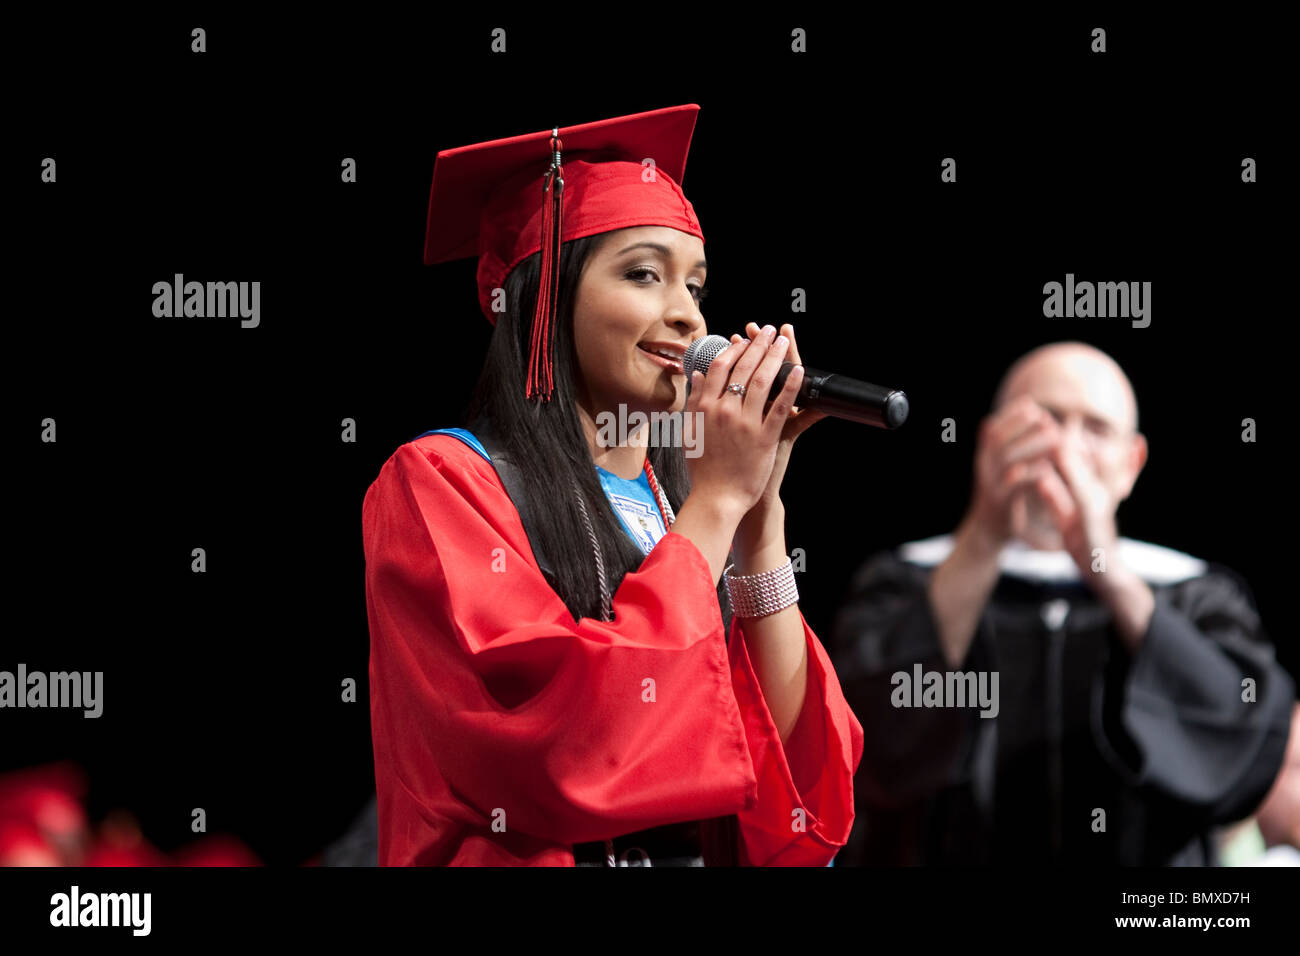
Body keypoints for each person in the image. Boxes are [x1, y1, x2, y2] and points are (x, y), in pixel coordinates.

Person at [362, 105, 864, 866]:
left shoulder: (679, 502)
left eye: (696, 286)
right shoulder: (442, 482)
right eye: (642, 274)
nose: (688, 317)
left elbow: (782, 766)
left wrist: (760, 523)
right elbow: (564, 750)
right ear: (543, 301)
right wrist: (719, 502)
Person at [828, 342, 1295, 865]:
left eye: (1095, 428)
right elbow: (862, 743)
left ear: (1131, 463)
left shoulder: (1195, 592)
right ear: (989, 441)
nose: (1064, 448)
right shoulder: (905, 580)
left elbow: (1238, 748)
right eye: (1043, 419)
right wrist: (984, 536)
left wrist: (1103, 566)